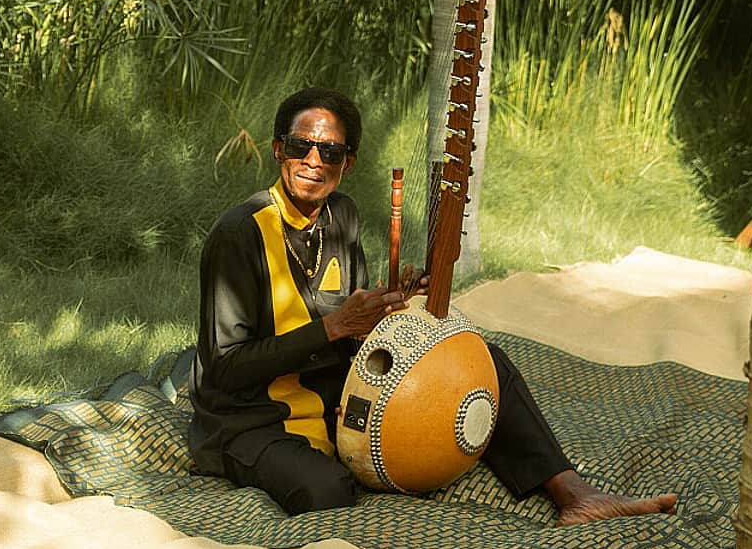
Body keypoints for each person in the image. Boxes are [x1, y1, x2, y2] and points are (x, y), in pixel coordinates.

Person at [188, 87, 678, 523]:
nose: (314, 160)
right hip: (249, 415)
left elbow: (354, 332)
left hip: (327, 393)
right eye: (301, 146)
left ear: (348, 163)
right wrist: (336, 327)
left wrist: (388, 309)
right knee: (327, 491)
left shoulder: (342, 215)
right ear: (279, 151)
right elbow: (225, 369)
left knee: (482, 361)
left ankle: (573, 492)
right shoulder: (239, 235)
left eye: (330, 151)